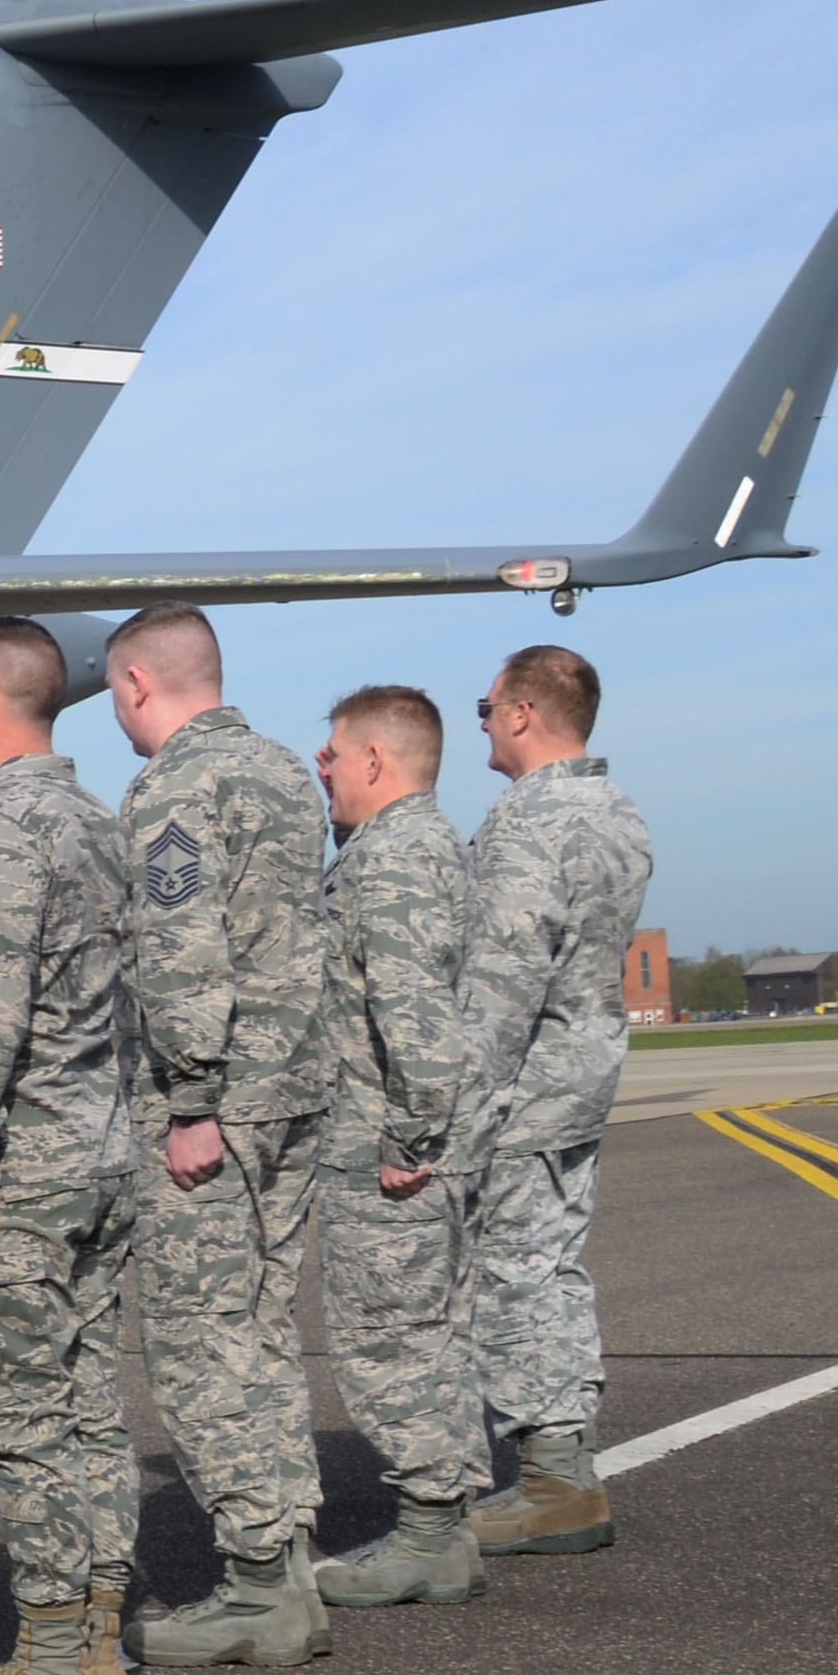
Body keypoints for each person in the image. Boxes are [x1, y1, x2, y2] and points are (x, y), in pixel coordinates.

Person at [105, 602, 339, 1670]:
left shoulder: (174, 787)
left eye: (114, 692)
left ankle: (258, 1584)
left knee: (202, 1343)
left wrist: (190, 1100)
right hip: (293, 1089)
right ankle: (284, 1559)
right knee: (259, 1333)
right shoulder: (288, 771)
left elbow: (181, 948)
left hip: (219, 1102)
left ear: (138, 684)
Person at [0, 618, 150, 1675]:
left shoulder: (5, 831)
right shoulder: (99, 819)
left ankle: (56, 1655)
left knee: (21, 1422)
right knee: (86, 1409)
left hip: (25, 1173)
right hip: (107, 1153)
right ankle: (99, 1635)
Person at [454, 642, 655, 1557]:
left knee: (518, 1275)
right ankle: (561, 1466)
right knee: (554, 1266)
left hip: (522, 1092)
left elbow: (502, 979)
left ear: (524, 713)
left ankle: (555, 1483)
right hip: (578, 1075)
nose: (485, 724)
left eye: (489, 707)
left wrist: (448, 1105)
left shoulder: (530, 822)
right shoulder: (614, 811)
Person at [305, 684, 488, 1608]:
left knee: (390, 1343)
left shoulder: (394, 859)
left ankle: (429, 1536)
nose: (322, 767)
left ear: (375, 759)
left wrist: (408, 1138)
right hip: (399, 1138)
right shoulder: (416, 847)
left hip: (386, 1152)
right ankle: (441, 1526)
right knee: (429, 1335)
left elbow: (417, 1021)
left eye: (333, 753)